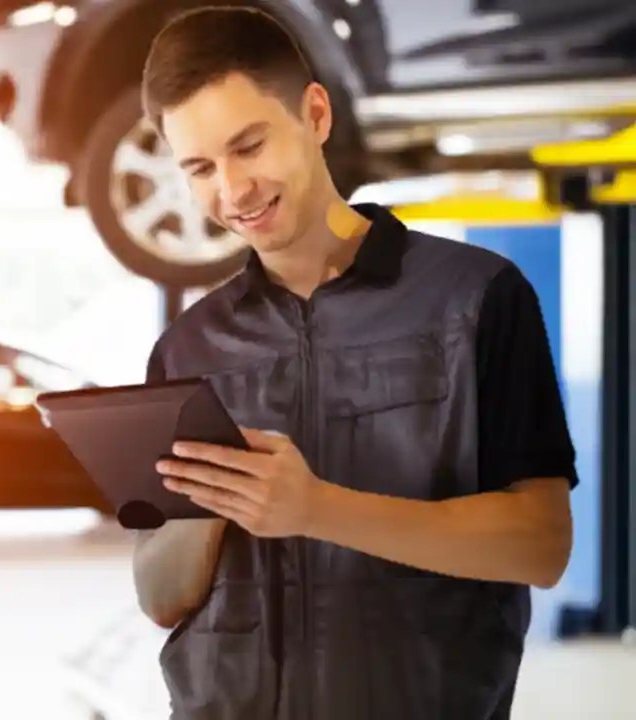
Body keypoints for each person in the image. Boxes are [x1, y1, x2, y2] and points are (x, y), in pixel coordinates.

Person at [133, 7, 577, 719]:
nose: (233, 190)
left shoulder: (476, 300)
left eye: (249, 146)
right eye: (200, 167)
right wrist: (213, 501)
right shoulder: (187, 349)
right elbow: (160, 597)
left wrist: (318, 509)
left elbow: (541, 546)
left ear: (314, 114)